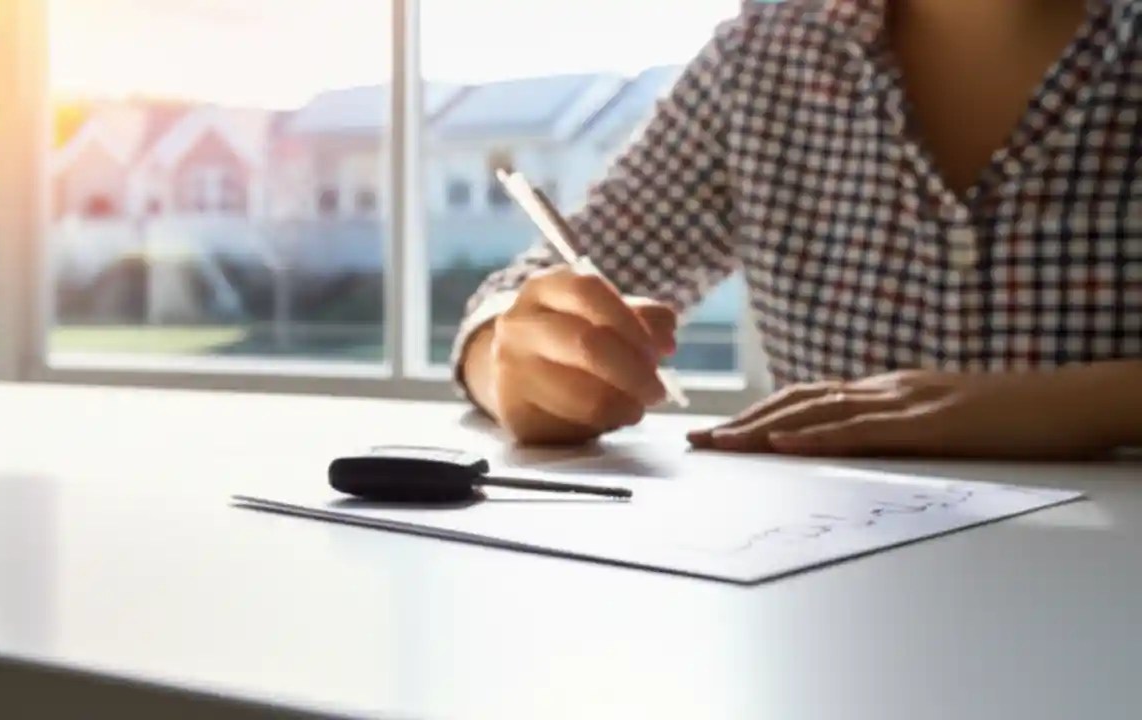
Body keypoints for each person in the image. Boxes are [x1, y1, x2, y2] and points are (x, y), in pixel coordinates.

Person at [452, 0, 1142, 459]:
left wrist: (1069, 406)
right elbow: (533, 290)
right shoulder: (766, 57)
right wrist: (517, 360)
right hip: (828, 615)